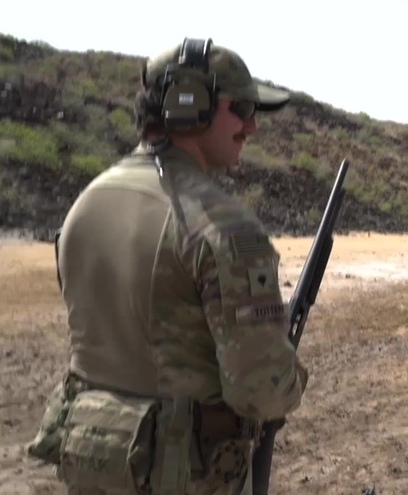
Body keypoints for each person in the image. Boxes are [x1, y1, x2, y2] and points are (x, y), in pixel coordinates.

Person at [25, 38, 308, 494]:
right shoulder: (222, 224)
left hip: (93, 465)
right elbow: (262, 391)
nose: (251, 127)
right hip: (180, 476)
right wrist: (290, 369)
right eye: (241, 109)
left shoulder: (87, 202)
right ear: (189, 106)